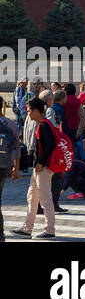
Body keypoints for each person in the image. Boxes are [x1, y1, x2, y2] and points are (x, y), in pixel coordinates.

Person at [14, 98, 57, 239]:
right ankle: (27, 228)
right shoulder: (42, 124)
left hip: (43, 168)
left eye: (29, 111)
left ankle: (50, 230)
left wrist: (41, 162)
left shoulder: (44, 125)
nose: (28, 113)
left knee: (45, 199)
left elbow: (50, 145)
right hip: (38, 168)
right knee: (32, 197)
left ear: (37, 111)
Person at [0, 100, 21, 240]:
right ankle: (0, 233)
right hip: (4, 165)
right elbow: (17, 148)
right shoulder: (11, 124)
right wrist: (16, 168)